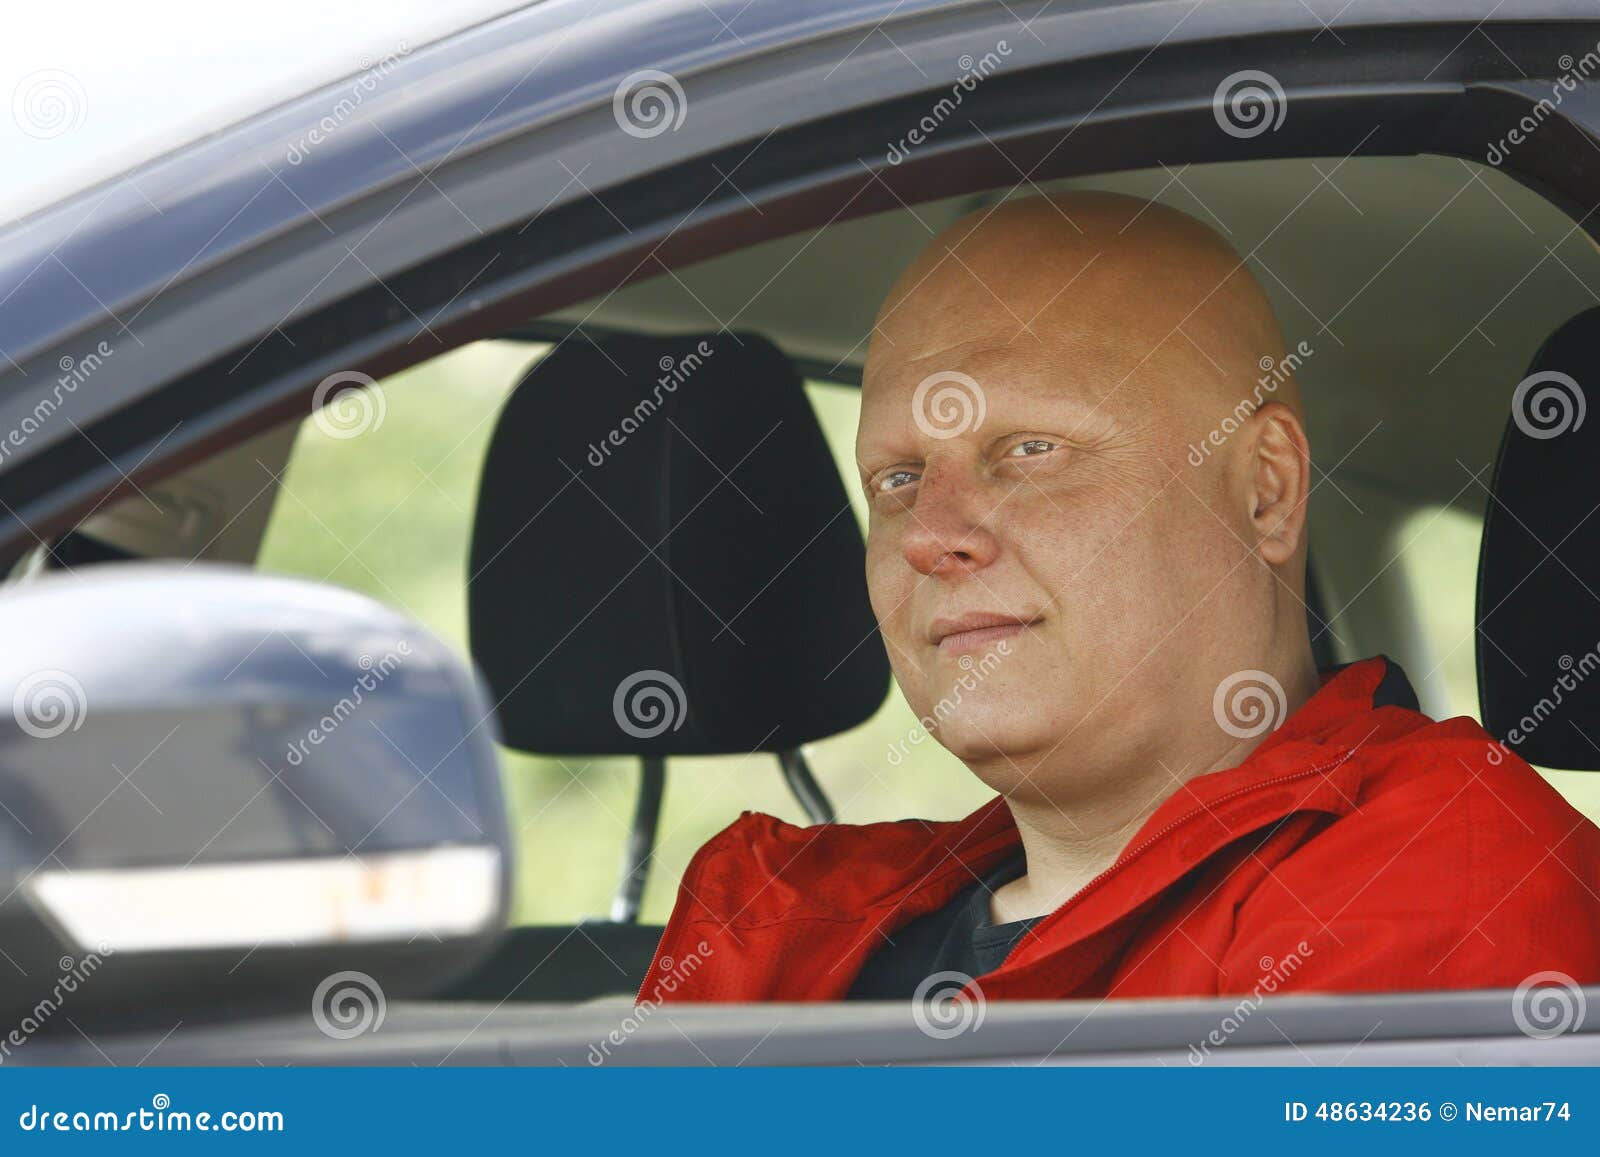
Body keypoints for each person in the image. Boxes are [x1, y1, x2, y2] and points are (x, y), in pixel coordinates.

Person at [644, 192, 1600, 1002]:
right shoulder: (773, 928)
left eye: (1028, 452)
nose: (930, 536)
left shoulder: (1447, 880)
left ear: (1263, 491)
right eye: (896, 479)